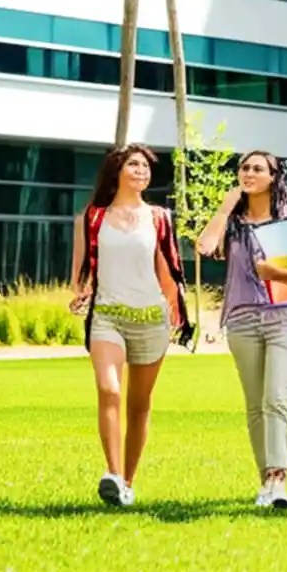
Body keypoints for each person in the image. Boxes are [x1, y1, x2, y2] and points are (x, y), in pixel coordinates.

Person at [196, 151, 287, 510]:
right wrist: (225, 207)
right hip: (243, 319)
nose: (249, 173)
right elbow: (204, 247)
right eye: (244, 168)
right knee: (255, 404)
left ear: (273, 177)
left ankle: (278, 480)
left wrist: (276, 273)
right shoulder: (232, 222)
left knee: (276, 397)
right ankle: (265, 479)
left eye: (257, 168)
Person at [70, 143, 192, 507]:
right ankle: (112, 472)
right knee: (109, 389)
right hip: (108, 316)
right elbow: (80, 272)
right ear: (117, 171)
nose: (141, 170)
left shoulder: (158, 217)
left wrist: (179, 312)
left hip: (151, 319)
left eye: (145, 166)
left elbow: (167, 268)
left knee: (139, 405)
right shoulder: (92, 217)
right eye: (133, 164)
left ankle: (126, 482)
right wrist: (80, 293)